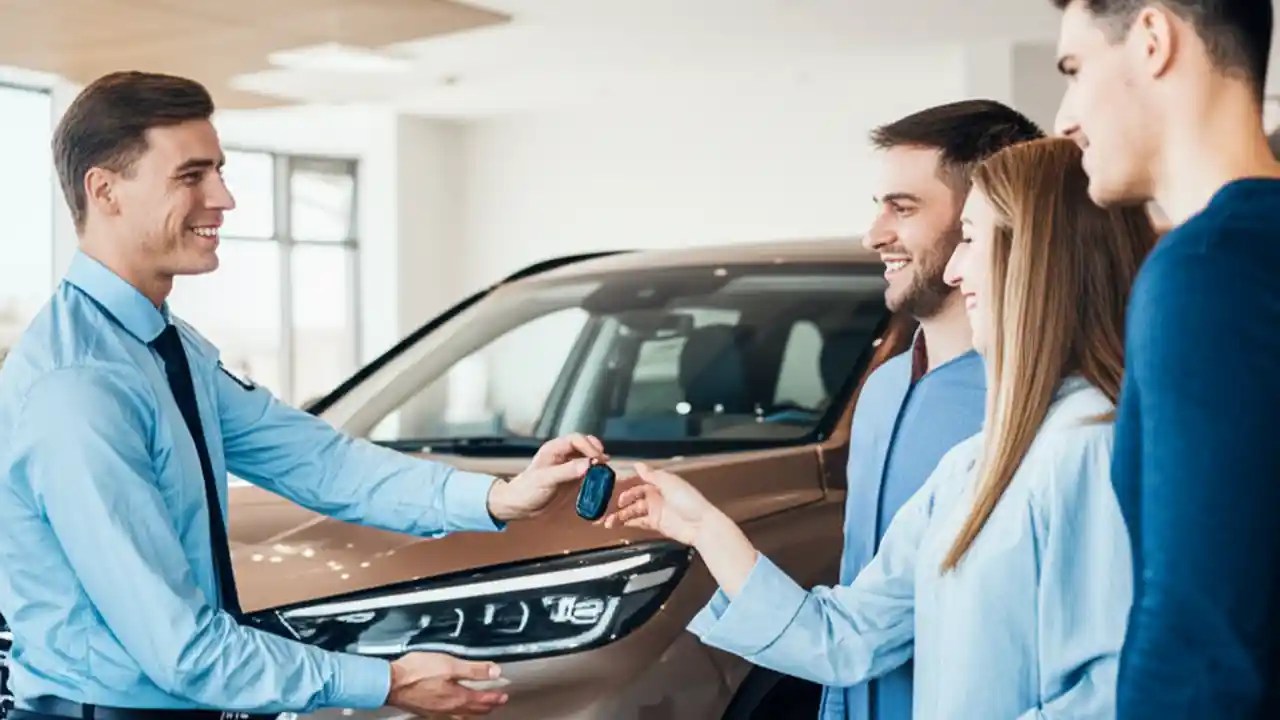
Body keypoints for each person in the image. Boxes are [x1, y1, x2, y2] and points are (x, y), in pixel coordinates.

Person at [0, 71, 607, 719]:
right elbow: (180, 650)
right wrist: (387, 682)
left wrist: (499, 496)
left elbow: (320, 461)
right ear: (105, 190)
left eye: (220, 172)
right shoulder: (79, 387)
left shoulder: (162, 345)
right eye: (192, 176)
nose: (224, 198)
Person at [604, 137, 1157, 719]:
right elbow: (846, 638)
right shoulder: (974, 463)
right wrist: (704, 528)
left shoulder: (1094, 446)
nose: (955, 270)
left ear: (1041, 260)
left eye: (971, 239)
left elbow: (1112, 696)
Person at [1051, 1, 1280, 717]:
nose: (1063, 119)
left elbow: (1202, 646)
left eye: (1074, 70)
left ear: (1153, 39)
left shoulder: (1209, 265)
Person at [822, 100, 1043, 720]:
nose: (873, 235)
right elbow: (852, 606)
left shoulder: (1034, 404)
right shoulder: (880, 392)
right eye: (879, 207)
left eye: (904, 208)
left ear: (984, 215)